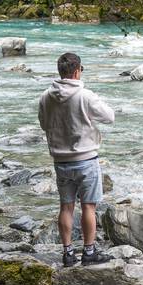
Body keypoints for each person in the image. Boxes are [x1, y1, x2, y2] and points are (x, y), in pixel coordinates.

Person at [38, 50, 115, 267]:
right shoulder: (86, 96)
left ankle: (68, 253)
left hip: (61, 161)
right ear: (77, 72)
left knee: (66, 207)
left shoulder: (46, 96)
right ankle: (89, 252)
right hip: (86, 159)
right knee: (89, 207)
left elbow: (44, 124)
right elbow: (110, 117)